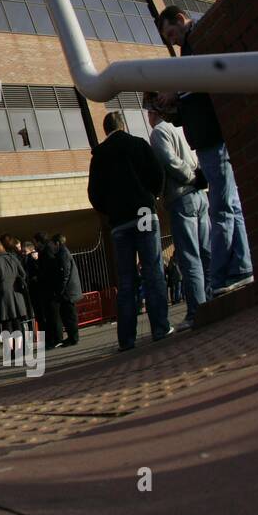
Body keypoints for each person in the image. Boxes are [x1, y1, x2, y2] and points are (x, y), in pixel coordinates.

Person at [156, 6, 254, 297]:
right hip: (208, 135)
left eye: (171, 33)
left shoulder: (197, 41)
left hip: (212, 136)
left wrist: (176, 93)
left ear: (181, 20)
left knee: (221, 208)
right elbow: (195, 100)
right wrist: (174, 106)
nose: (172, 41)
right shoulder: (190, 47)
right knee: (229, 205)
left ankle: (223, 274)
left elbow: (205, 78)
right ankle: (241, 266)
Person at [88, 111, 172, 350]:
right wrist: (151, 196)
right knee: (153, 270)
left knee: (125, 281)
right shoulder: (137, 144)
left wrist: (111, 211)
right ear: (123, 125)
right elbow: (157, 173)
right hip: (143, 213)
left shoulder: (99, 156)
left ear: (105, 130)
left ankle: (127, 339)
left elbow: (94, 194)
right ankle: (160, 328)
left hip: (119, 223)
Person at [145, 92, 211, 329]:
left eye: (149, 113)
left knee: (189, 256)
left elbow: (170, 162)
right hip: (200, 197)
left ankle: (197, 311)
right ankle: (211, 302)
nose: (148, 118)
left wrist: (190, 177)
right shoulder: (179, 130)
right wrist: (198, 177)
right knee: (205, 252)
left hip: (182, 196)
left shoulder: (159, 132)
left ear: (154, 113)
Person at [0, 238, 28, 352]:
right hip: (16, 294)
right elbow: (23, 274)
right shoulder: (13, 257)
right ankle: (21, 349)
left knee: (7, 325)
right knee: (17, 323)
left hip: (2, 296)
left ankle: (11, 351)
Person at [49, 233, 83, 348]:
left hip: (68, 291)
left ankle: (74, 337)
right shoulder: (62, 252)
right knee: (67, 314)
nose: (51, 247)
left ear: (57, 243)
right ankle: (72, 336)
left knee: (69, 314)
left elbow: (65, 273)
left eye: (52, 244)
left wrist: (61, 289)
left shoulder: (63, 253)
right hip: (68, 290)